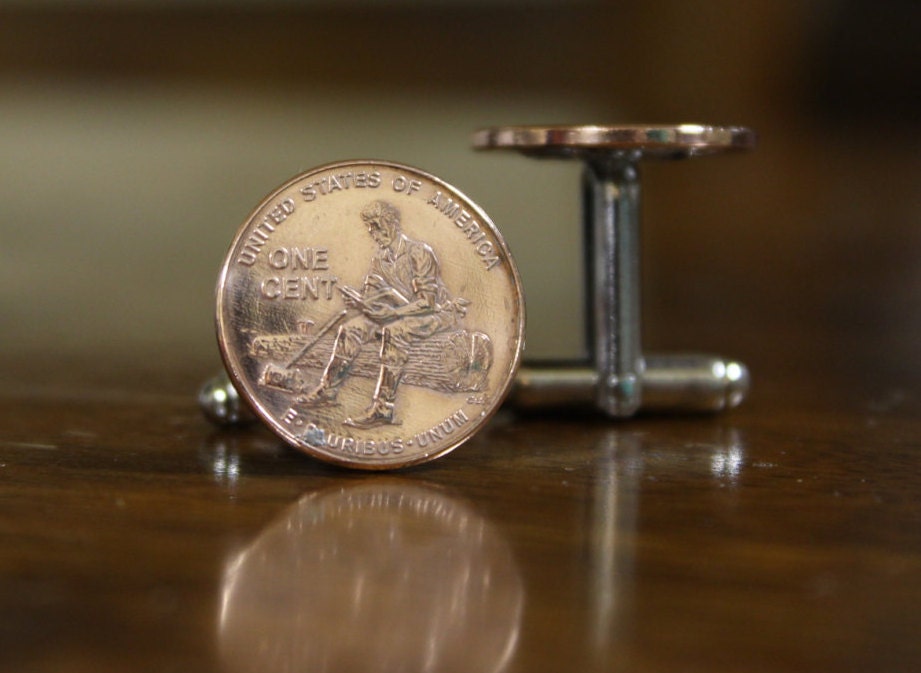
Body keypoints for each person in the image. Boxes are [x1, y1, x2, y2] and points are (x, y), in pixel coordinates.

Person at [297, 199, 467, 428]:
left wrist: (392, 311)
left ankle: (383, 408)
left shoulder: (419, 252)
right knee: (350, 329)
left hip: (434, 313)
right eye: (370, 229)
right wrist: (361, 302)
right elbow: (373, 295)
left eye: (376, 227)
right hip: (396, 311)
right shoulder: (379, 258)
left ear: (392, 223)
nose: (373, 233)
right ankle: (327, 391)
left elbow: (427, 302)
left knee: (395, 331)